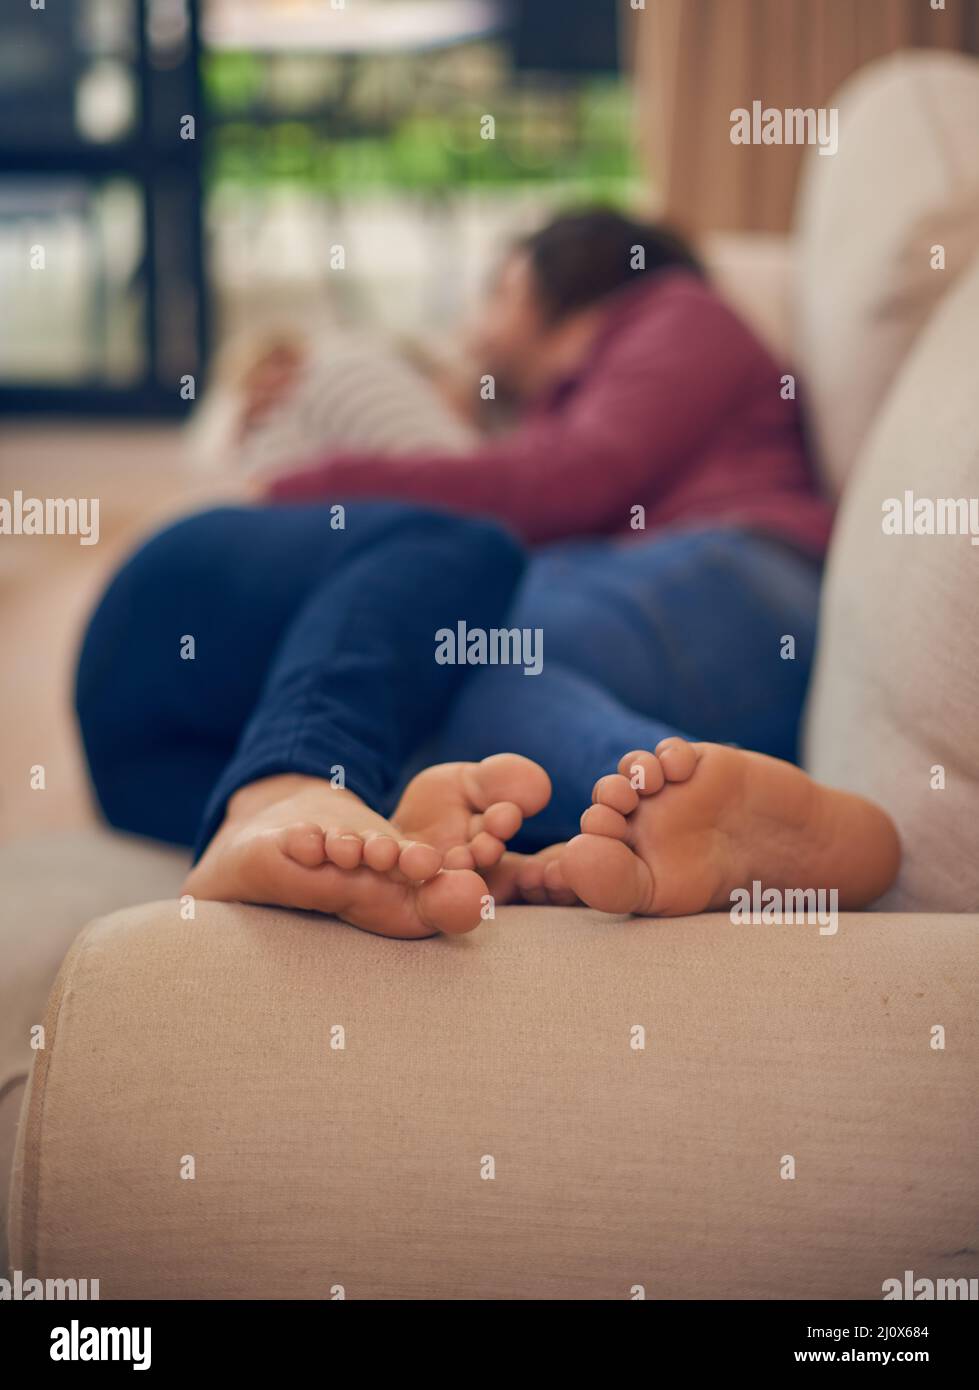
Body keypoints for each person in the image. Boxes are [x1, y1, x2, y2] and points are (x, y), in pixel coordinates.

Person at [74, 209, 902, 937]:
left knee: (460, 650)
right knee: (441, 704)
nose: (478, 324)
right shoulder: (554, 401)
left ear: (551, 277)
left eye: (493, 295)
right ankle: (683, 816)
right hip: (679, 660)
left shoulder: (677, 313)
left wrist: (294, 487)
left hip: (742, 575)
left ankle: (669, 797)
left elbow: (563, 479)